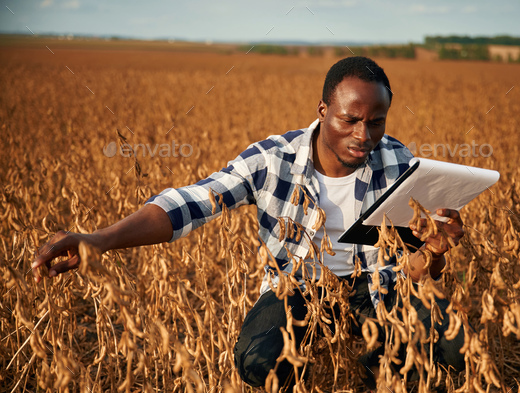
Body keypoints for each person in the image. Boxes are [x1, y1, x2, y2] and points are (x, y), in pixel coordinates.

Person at [32, 56, 465, 390]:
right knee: (257, 359)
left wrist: (433, 252)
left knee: (452, 349)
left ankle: (382, 366)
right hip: (295, 284)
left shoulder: (398, 160)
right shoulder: (271, 158)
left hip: (376, 285)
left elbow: (417, 265)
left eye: (376, 122)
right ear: (322, 109)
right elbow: (189, 204)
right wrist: (98, 240)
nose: (363, 135)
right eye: (349, 119)